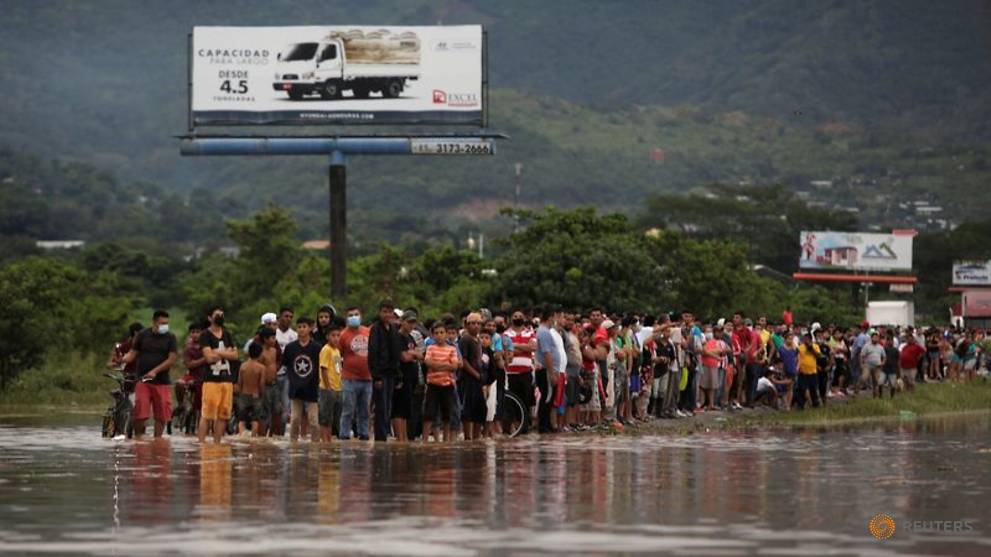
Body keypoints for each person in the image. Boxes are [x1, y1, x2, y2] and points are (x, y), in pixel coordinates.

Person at [122, 310, 177, 438]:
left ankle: (158, 439)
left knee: (162, 414)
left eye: (167, 323)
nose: (165, 326)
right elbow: (133, 353)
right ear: (154, 322)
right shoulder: (142, 335)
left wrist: (155, 371)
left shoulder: (170, 337)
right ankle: (138, 437)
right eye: (162, 323)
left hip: (162, 381)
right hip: (143, 380)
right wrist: (123, 359)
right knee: (140, 410)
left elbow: (172, 359)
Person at [198, 306, 238, 443]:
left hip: (227, 379)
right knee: (207, 414)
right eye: (217, 314)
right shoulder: (205, 335)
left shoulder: (227, 334)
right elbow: (208, 358)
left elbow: (235, 355)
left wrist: (218, 352)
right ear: (210, 318)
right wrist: (226, 352)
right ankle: (201, 443)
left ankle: (217, 443)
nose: (220, 316)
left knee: (223, 414)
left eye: (222, 314)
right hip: (211, 379)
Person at [283, 316, 322, 442]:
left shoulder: (317, 348)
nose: (301, 329)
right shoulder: (290, 348)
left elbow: (321, 367)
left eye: (304, 327)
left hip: (312, 387)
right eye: (299, 327)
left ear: (310, 328)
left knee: (314, 421)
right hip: (295, 387)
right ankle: (293, 445)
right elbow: (286, 365)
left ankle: (315, 446)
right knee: (294, 420)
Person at [368, 300, 401, 442]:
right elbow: (372, 353)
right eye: (384, 311)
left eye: (389, 312)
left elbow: (396, 352)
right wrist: (376, 377)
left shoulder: (393, 329)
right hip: (380, 374)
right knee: (381, 407)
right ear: (379, 312)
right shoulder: (375, 329)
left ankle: (384, 435)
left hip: (391, 373)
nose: (387, 314)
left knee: (388, 406)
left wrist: (398, 374)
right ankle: (380, 438)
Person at [422, 321, 460, 443]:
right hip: (433, 385)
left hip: (447, 385)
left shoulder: (452, 349)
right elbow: (428, 363)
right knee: (429, 414)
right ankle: (425, 440)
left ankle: (446, 440)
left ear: (446, 334)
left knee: (447, 415)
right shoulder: (430, 348)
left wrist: (437, 366)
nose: (439, 335)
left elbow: (454, 366)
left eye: (442, 332)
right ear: (433, 335)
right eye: (437, 333)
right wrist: (446, 365)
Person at [339, 307, 372, 441]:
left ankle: (363, 434)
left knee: (365, 410)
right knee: (348, 410)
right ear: (347, 318)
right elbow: (337, 356)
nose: (354, 317)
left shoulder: (368, 332)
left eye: (356, 314)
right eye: (351, 315)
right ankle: (344, 434)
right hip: (349, 379)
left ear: (361, 316)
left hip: (367, 378)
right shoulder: (343, 335)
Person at [393, 311, 423, 442]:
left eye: (413, 322)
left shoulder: (410, 338)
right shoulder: (398, 337)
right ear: (402, 321)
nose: (411, 325)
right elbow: (404, 357)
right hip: (400, 377)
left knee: (406, 410)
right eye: (409, 322)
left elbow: (420, 355)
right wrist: (413, 354)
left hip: (411, 378)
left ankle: (404, 438)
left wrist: (413, 353)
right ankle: (400, 438)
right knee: (398, 410)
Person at [505, 309, 537, 433]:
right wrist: (524, 347)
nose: (517, 317)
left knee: (526, 399)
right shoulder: (506, 333)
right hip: (511, 373)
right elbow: (507, 349)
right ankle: (514, 426)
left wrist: (514, 345)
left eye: (520, 316)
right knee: (512, 402)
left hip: (526, 372)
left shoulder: (530, 332)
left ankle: (525, 427)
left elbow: (533, 347)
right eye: (515, 315)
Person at [458, 312, 487, 440]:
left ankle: (476, 438)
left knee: (480, 410)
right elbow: (463, 361)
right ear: (467, 325)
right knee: (468, 410)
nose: (476, 326)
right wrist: (475, 374)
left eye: (478, 323)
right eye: (473, 323)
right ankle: (468, 437)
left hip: (478, 379)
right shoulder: (465, 339)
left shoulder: (478, 340)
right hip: (467, 379)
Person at [535, 307, 562, 434]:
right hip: (546, 371)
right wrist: (551, 372)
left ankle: (546, 425)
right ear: (551, 317)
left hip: (548, 370)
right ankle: (543, 426)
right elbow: (547, 353)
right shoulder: (544, 332)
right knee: (547, 397)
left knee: (549, 398)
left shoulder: (544, 331)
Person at [318, 319, 344, 442]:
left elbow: (339, 369)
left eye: (338, 336)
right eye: (333, 336)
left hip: (338, 387)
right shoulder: (326, 349)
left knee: (333, 416)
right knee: (325, 416)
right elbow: (323, 368)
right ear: (327, 336)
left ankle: (329, 439)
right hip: (327, 388)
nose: (336, 338)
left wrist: (340, 385)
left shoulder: (337, 351)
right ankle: (325, 439)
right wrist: (328, 387)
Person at [235, 342, 266, 436]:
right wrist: (262, 394)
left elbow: (239, 382)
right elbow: (261, 384)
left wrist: (239, 394)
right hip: (256, 395)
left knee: (242, 420)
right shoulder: (261, 368)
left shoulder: (243, 366)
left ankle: (242, 437)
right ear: (260, 354)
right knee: (255, 420)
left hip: (243, 395)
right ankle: (253, 439)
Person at [256, 328, 282, 436]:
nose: (274, 340)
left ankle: (273, 435)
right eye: (272, 338)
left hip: (274, 384)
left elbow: (275, 364)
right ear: (265, 339)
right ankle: (262, 437)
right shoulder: (261, 353)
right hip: (264, 386)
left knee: (277, 410)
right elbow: (257, 370)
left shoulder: (274, 351)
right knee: (264, 413)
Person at [795, 333, 821, 409]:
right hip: (802, 372)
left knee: (813, 388)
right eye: (804, 339)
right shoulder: (800, 347)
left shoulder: (815, 346)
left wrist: (811, 348)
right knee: (802, 389)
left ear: (810, 339)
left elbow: (819, 356)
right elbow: (797, 357)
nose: (805, 340)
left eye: (807, 339)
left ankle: (815, 403)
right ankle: (800, 405)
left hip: (812, 371)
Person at [860, 332, 886, 399]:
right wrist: (861, 364)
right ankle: (856, 391)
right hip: (868, 365)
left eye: (877, 338)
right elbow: (862, 355)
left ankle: (876, 396)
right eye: (874, 337)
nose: (876, 339)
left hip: (877, 366)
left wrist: (883, 362)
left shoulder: (880, 347)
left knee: (877, 382)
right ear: (871, 338)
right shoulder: (867, 346)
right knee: (864, 378)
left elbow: (884, 356)